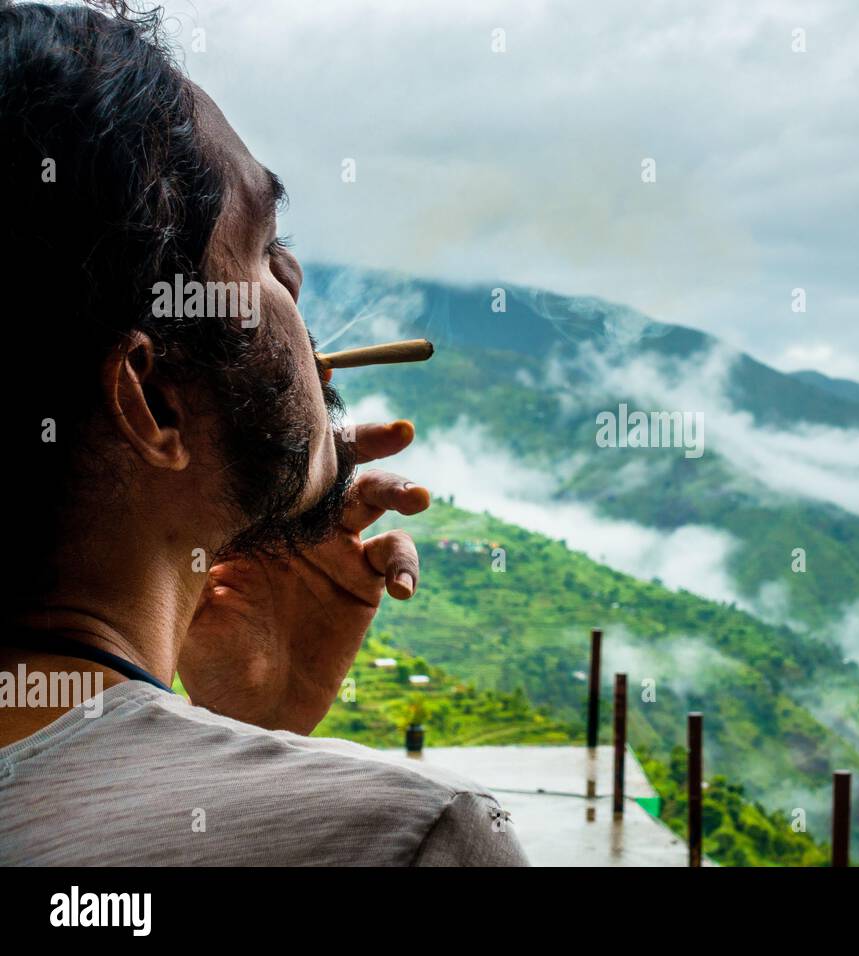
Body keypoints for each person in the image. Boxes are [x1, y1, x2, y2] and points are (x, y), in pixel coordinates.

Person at [0, 0, 528, 866]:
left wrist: (222, 731)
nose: (296, 276)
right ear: (154, 402)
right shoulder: (401, 842)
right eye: (263, 243)